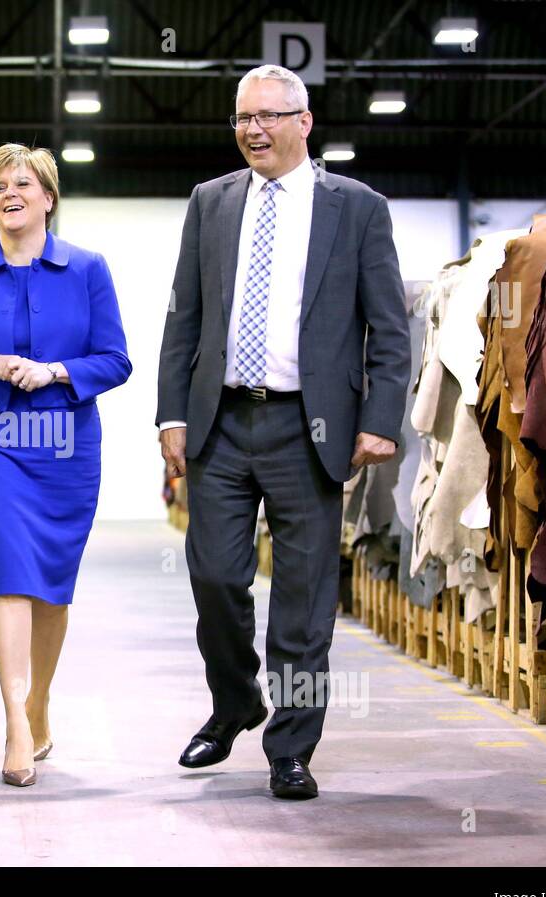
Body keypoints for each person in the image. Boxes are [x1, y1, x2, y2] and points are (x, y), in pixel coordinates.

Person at [156, 65, 409, 799]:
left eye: (269, 116)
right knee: (214, 578)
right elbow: (184, 317)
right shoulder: (211, 202)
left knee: (302, 600)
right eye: (242, 118)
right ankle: (235, 701)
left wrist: (381, 421)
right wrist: (172, 414)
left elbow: (389, 329)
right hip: (222, 422)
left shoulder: (356, 208)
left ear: (305, 121)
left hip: (311, 427)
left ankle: (290, 747)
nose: (253, 130)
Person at [0, 144, 131, 787]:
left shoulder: (89, 270)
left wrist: (57, 371)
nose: (8, 193)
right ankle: (16, 721)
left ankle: (39, 700)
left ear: (49, 197)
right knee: (9, 574)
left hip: (67, 446)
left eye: (22, 183)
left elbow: (116, 359)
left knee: (51, 585)